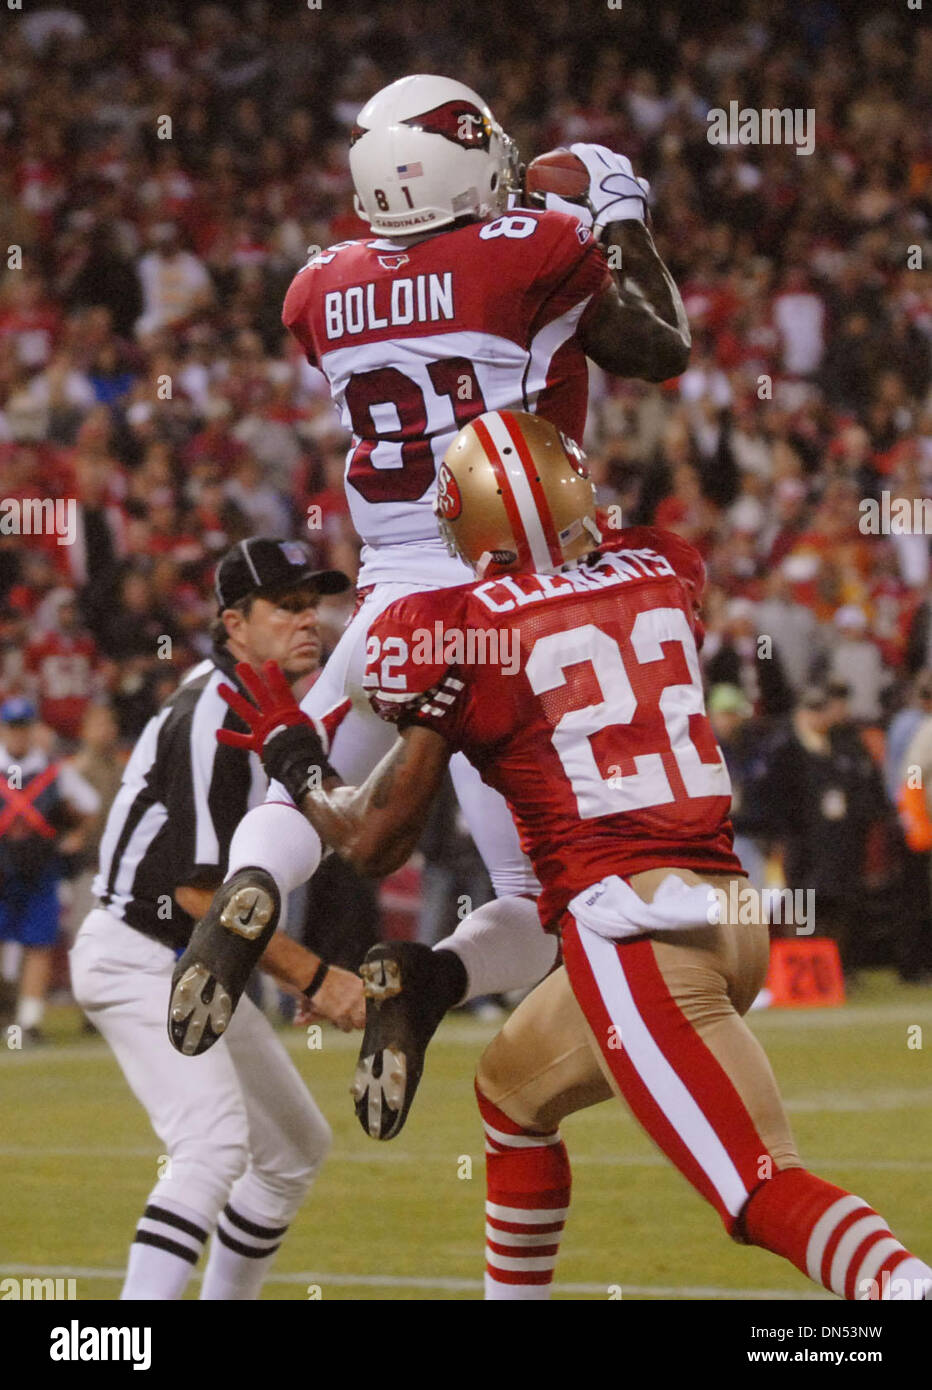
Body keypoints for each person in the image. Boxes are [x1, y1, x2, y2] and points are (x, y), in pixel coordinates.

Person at [216, 410, 932, 1301]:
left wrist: (295, 755)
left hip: (630, 929)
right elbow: (601, 540)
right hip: (727, 909)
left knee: (759, 1188)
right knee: (513, 1095)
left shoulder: (458, 628)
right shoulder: (665, 567)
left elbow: (372, 843)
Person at [167, 73, 692, 1059]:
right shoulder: (535, 250)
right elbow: (659, 349)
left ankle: (254, 888)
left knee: (301, 790)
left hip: (395, 597)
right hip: (520, 598)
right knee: (537, 900)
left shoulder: (318, 284)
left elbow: (429, 281)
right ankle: (430, 974)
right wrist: (617, 215)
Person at [69, 538, 364, 1301]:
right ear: (235, 622)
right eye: (288, 606)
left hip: (199, 960)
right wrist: (315, 974)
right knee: (210, 1145)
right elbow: (199, 892)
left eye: (315, 604)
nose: (310, 620)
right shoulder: (214, 709)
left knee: (295, 1147)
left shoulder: (272, 707)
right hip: (141, 951)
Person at [0, 696, 100, 1042]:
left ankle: (28, 1021)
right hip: (2, 867)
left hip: (41, 868)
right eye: (12, 728)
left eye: (23, 728)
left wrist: (76, 836)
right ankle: (7, 1014)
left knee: (39, 944)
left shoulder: (55, 770)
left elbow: (90, 806)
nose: (18, 735)